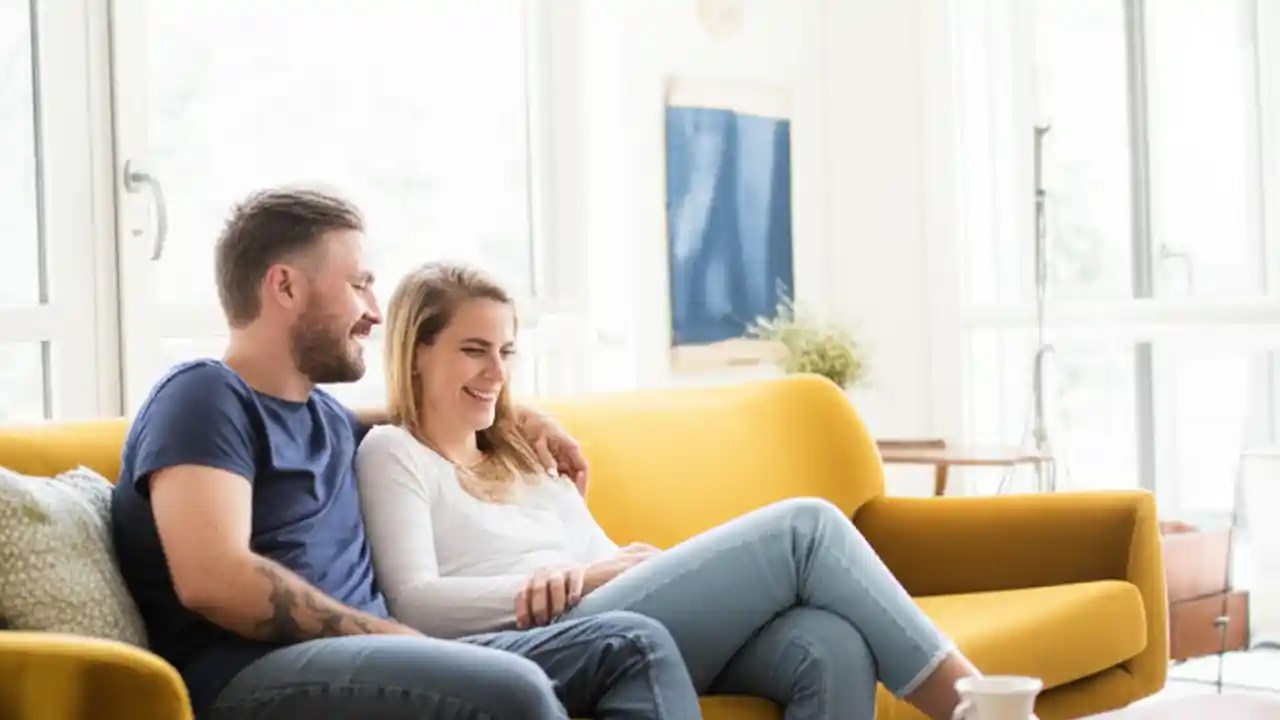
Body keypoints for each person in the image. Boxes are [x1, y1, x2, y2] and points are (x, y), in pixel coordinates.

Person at [111, 189, 703, 720]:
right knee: (516, 690)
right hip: (252, 674)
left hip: (373, 656)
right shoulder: (204, 395)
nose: (374, 310)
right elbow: (214, 579)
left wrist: (517, 414)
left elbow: (416, 411)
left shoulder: (326, 419)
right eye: (359, 284)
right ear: (285, 286)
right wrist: (390, 633)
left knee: (627, 645)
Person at [355, 261, 988, 720]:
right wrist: (558, 585)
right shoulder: (395, 453)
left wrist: (619, 566)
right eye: (473, 350)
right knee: (807, 529)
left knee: (830, 645)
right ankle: (989, 712)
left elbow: (598, 555)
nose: (496, 373)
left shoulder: (525, 452)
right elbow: (415, 605)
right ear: (416, 353)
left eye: (506, 351)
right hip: (547, 639)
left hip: (610, 606)